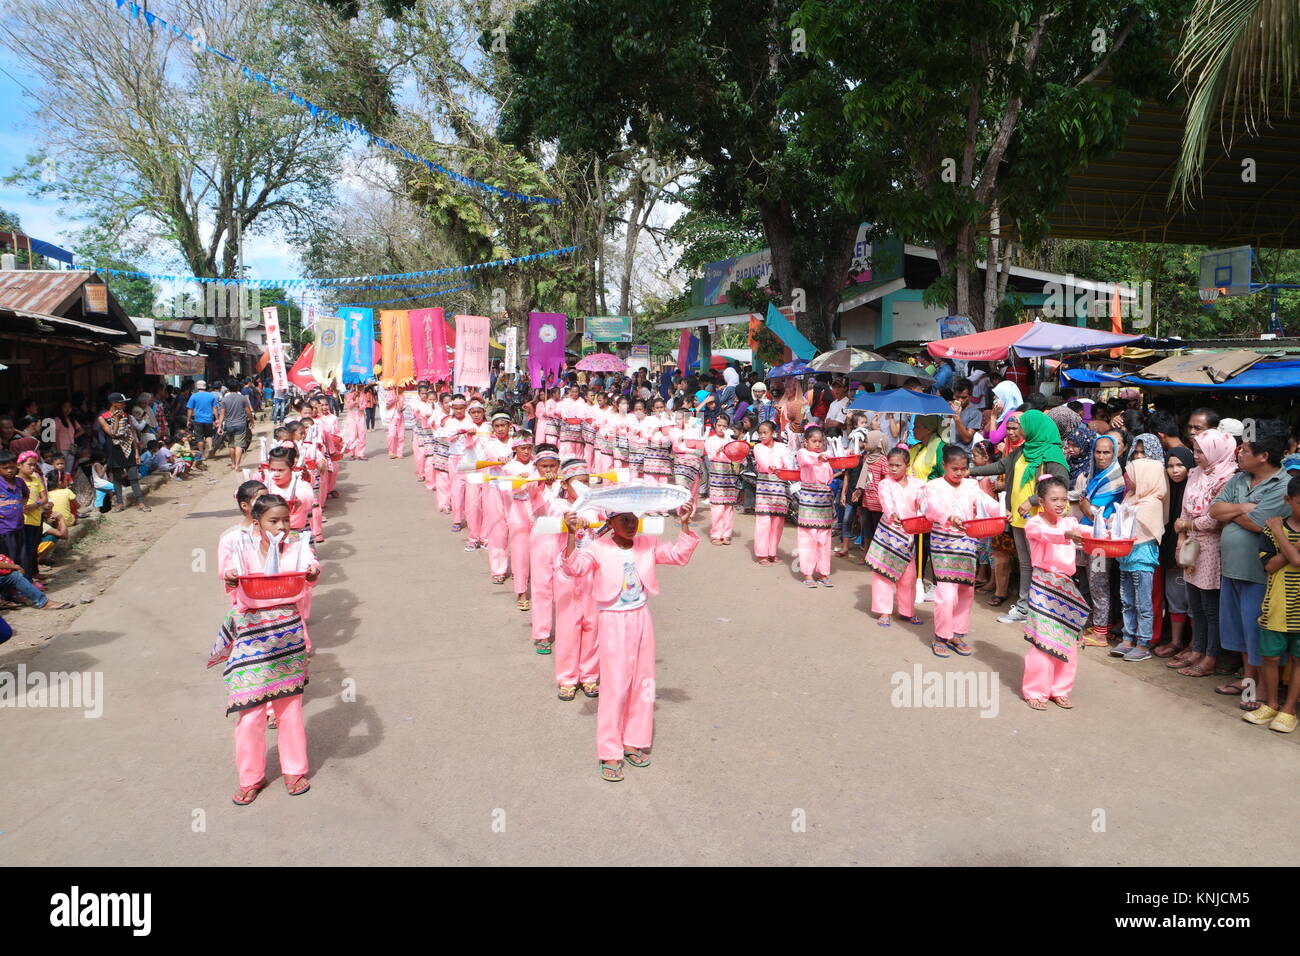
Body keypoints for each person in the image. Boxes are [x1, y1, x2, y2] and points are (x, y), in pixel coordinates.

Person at [561, 500, 698, 783]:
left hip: (641, 618)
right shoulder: (598, 548)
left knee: (643, 682)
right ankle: (610, 751)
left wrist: (684, 523)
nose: (631, 524)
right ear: (610, 522)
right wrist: (571, 535)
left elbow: (678, 555)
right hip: (612, 620)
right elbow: (574, 568)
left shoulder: (646, 543)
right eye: (623, 519)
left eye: (634, 518)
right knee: (615, 685)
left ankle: (633, 740)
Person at [211, 494, 318, 805]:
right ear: (256, 523)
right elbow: (229, 573)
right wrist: (231, 575)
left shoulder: (298, 544)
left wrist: (311, 572)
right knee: (250, 712)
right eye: (273, 521)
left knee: (290, 709)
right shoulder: (240, 546)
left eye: (285, 519)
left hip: (287, 632)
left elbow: (311, 566)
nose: (281, 526)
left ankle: (294, 771)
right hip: (252, 635)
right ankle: (250, 777)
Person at [1209, 419, 1290, 709]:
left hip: (1259, 573)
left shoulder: (1283, 485)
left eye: (1244, 449)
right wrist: (1243, 508)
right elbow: (1214, 510)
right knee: (1241, 631)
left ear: (1263, 456)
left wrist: (1234, 514)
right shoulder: (1240, 478)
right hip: (1231, 568)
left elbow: (1259, 525)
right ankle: (1248, 681)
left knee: (1256, 632)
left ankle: (1262, 692)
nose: (1238, 454)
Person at [1171, 428, 1237, 677]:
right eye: (1196, 450)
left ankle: (1211, 656)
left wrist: (1188, 525)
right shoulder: (1195, 474)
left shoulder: (1228, 477)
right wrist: (1182, 536)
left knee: (1211, 607)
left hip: (1212, 547)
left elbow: (1215, 519)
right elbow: (1186, 509)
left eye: (1201, 451)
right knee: (1195, 603)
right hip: (1191, 545)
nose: (1196, 456)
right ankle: (1197, 649)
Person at [924, 446, 1000, 657]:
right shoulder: (933, 486)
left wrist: (1002, 511)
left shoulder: (971, 485)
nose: (959, 473)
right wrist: (949, 517)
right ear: (944, 466)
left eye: (963, 469)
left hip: (966, 543)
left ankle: (956, 633)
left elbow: (985, 502)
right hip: (943, 545)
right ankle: (941, 635)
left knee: (966, 591)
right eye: (954, 468)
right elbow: (932, 507)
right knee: (946, 594)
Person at [1021, 476, 1089, 710]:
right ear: (1041, 501)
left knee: (1068, 640)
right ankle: (1035, 690)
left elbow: (1088, 532)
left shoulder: (1069, 522)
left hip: (1066, 585)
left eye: (1063, 499)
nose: (1060, 504)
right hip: (1043, 585)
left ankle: (1059, 689)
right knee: (1043, 640)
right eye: (1054, 499)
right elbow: (1047, 536)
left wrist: (1108, 528)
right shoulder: (1034, 524)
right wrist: (1066, 536)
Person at [1251, 480, 1300, 732]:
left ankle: (1289, 710)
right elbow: (1270, 566)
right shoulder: (1269, 532)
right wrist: (1287, 542)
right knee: (1270, 657)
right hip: (1276, 606)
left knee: (1298, 660)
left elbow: (1296, 560)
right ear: (1288, 500)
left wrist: (1281, 533)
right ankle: (1270, 703)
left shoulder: (1275, 529)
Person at [1111, 458, 1168, 662]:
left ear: (1145, 478)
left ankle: (1143, 644)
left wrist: (1119, 517)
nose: (1127, 477)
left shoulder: (1152, 502)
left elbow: (1129, 524)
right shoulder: (1130, 498)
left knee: (1143, 603)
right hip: (1126, 558)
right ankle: (1127, 639)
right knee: (1127, 601)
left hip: (1142, 559)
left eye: (1132, 474)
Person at [865, 447, 925, 627]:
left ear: (907, 466)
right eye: (890, 465)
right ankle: (884, 611)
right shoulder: (885, 483)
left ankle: (907, 611)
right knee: (883, 573)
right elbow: (886, 502)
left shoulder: (918, 485)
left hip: (909, 535)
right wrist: (892, 514)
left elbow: (925, 503)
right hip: (888, 533)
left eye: (897, 465)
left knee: (908, 575)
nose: (892, 469)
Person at [1154, 447, 1195, 659]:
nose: (1175, 470)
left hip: (1192, 552)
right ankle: (1176, 641)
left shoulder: (1194, 488)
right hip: (1169, 550)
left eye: (1180, 465)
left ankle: (1194, 645)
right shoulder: (1165, 489)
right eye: (1170, 466)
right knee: (1175, 596)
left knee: (1192, 600)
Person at [795, 426, 835, 588]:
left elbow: (830, 477)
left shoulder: (825, 457)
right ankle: (808, 573)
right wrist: (821, 458)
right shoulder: (803, 453)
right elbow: (807, 460)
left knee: (824, 538)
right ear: (806, 442)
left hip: (824, 501)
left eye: (820, 441)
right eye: (814, 441)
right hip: (809, 500)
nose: (818, 444)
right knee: (808, 537)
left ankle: (824, 572)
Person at [98, 393, 150, 513]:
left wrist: (136, 452)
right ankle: (119, 503)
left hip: (129, 448)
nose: (124, 404)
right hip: (114, 449)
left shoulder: (127, 416)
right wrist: (116, 419)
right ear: (114, 403)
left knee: (133, 477)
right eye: (122, 402)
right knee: (117, 478)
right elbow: (112, 433)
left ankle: (140, 502)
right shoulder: (103, 417)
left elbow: (132, 434)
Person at [752, 420, 789, 565]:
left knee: (778, 521)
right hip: (765, 485)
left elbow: (788, 463)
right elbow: (762, 462)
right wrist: (773, 467)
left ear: (773, 433)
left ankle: (772, 552)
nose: (762, 436)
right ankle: (762, 554)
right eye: (760, 433)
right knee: (764, 520)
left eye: (765, 432)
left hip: (780, 485)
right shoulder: (758, 448)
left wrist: (784, 468)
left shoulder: (782, 447)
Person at [704, 416, 740, 545]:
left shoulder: (730, 440)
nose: (721, 428)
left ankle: (726, 533)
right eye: (719, 425)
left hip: (729, 474)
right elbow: (711, 455)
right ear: (715, 425)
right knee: (717, 505)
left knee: (728, 506)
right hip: (717, 473)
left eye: (724, 426)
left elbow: (737, 455)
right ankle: (716, 533)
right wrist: (720, 451)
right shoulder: (710, 440)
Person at [186, 380, 221, 457]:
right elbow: (214, 408)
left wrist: (188, 420)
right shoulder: (211, 396)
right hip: (209, 419)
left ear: (197, 387)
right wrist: (217, 419)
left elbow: (190, 409)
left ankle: (202, 455)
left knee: (199, 438)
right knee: (208, 435)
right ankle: (210, 447)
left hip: (198, 420)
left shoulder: (193, 396)